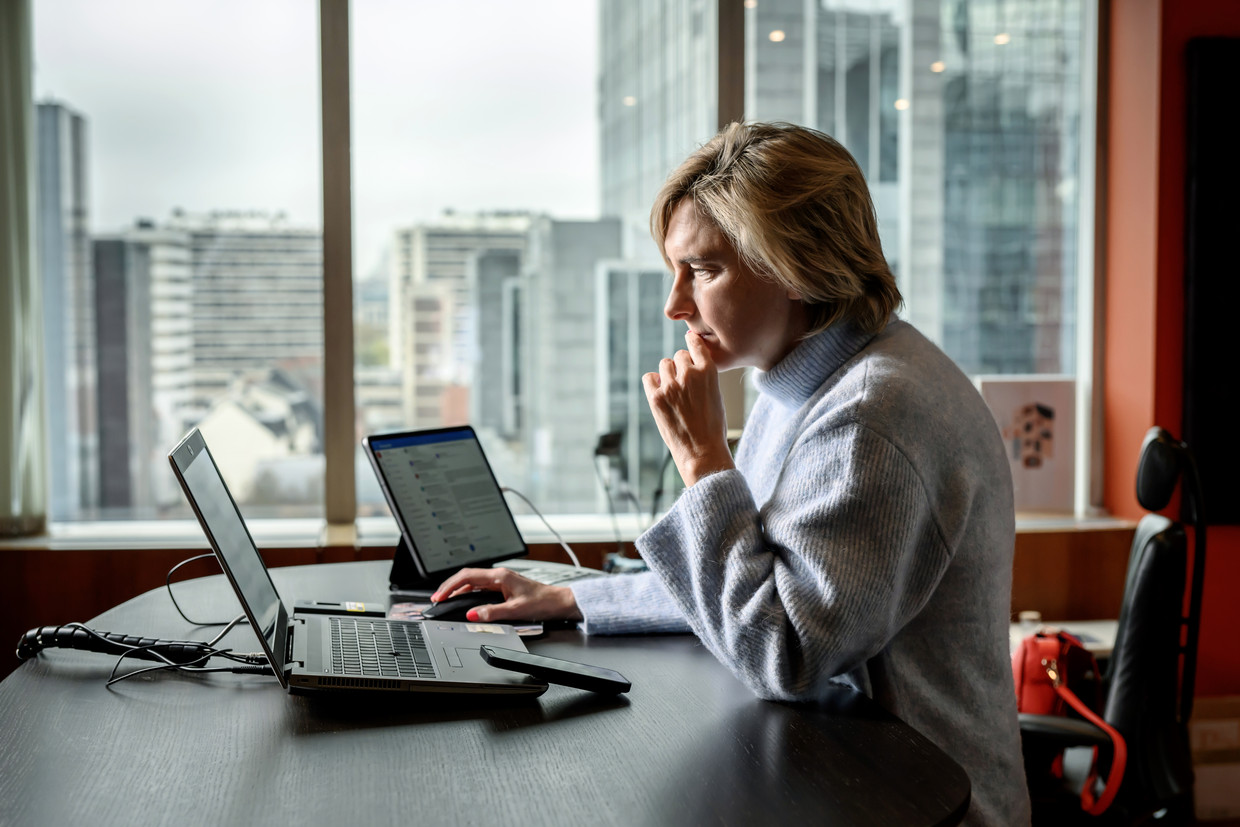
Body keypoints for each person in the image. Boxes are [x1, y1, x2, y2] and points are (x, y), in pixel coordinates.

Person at [434, 121, 1031, 825]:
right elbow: (747, 584)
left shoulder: (872, 417)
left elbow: (784, 654)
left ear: (799, 265)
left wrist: (704, 462)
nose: (675, 305)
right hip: (845, 777)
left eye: (703, 270)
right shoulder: (802, 385)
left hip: (918, 804)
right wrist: (571, 598)